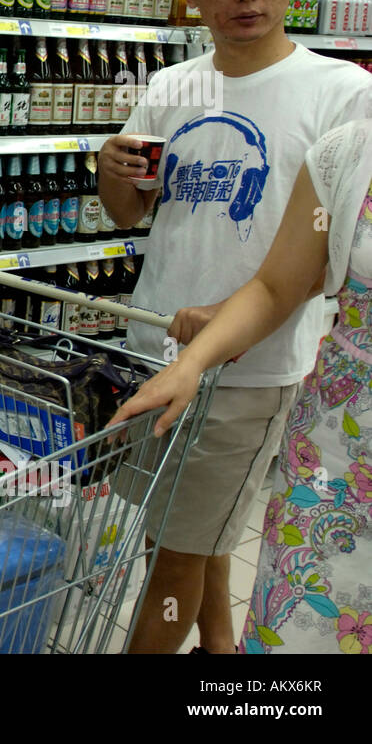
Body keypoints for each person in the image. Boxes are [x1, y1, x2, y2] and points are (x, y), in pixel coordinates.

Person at [98, 0, 372, 654]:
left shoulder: (344, 93)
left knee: (176, 553)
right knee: (180, 527)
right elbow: (125, 213)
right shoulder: (170, 87)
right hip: (154, 341)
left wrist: (226, 314)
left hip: (254, 362)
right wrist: (110, 170)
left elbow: (334, 252)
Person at [110, 118, 372, 654]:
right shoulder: (351, 150)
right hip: (342, 447)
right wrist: (192, 363)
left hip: (262, 386)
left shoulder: (340, 90)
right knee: (313, 621)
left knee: (186, 542)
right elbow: (278, 284)